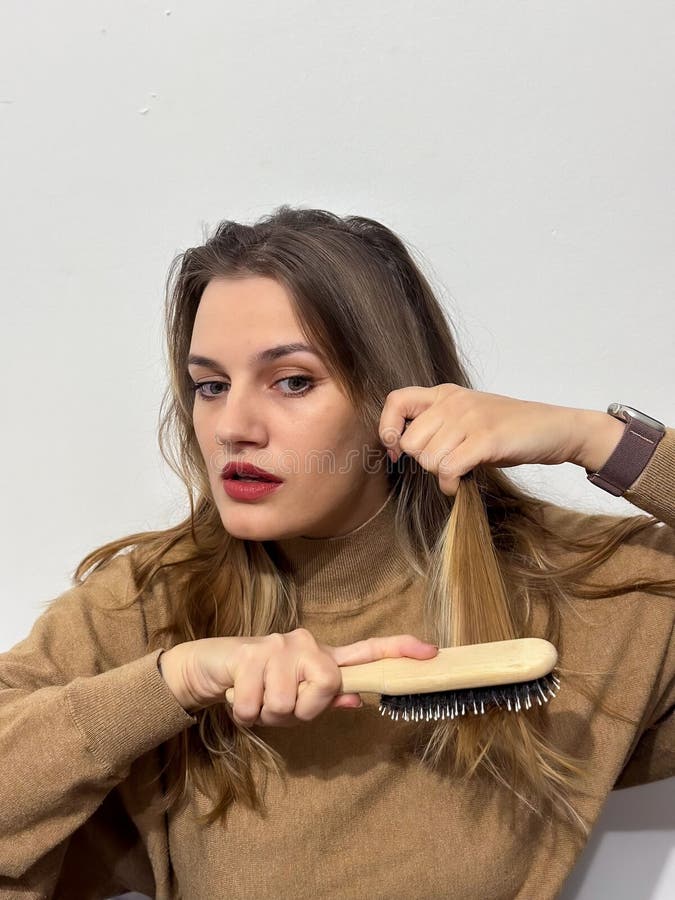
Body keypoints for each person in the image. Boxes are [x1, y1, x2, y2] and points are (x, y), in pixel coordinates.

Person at [0, 206, 673, 900]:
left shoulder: (582, 596)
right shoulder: (154, 602)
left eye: (292, 380)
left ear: (395, 398)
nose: (232, 427)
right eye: (210, 385)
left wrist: (596, 440)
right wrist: (177, 679)